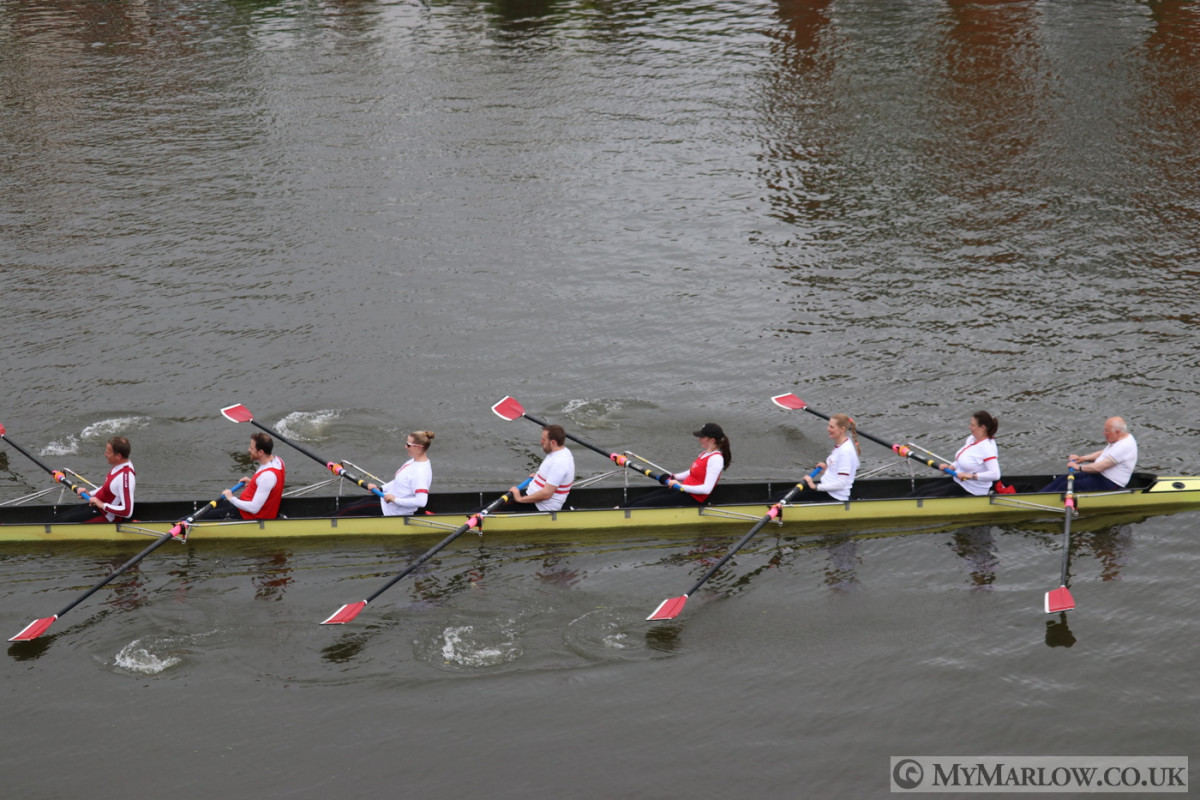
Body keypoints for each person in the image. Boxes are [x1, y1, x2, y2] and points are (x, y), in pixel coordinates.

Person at [625, 422, 731, 508]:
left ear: (712, 440)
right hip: (683, 492)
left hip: (693, 499)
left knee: (641, 505)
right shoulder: (705, 453)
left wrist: (680, 486)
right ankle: (618, 508)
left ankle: (621, 513)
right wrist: (675, 477)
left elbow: (706, 489)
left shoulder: (716, 459)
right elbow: (693, 471)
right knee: (640, 499)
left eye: (702, 437)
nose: (699, 439)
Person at [338, 431, 434, 517]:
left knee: (346, 511)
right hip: (385, 500)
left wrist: (394, 500)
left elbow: (421, 502)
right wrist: (380, 489)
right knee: (347, 506)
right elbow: (398, 482)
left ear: (419, 448)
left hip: (392, 511)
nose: (405, 447)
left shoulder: (421, 472)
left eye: (408, 445)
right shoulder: (413, 461)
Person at [773, 414, 860, 503]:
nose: (828, 429)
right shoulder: (842, 445)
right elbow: (851, 466)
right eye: (828, 426)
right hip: (826, 488)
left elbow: (841, 483)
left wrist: (815, 487)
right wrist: (827, 470)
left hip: (834, 497)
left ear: (842, 429)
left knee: (778, 499)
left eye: (831, 427)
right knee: (779, 495)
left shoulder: (845, 451)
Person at [913, 411, 1000, 497]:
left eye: (973, 425)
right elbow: (963, 460)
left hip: (972, 489)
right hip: (958, 479)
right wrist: (951, 467)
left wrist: (970, 476)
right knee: (922, 490)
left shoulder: (987, 448)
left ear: (983, 428)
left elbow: (995, 474)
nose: (969, 427)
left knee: (926, 495)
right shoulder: (972, 438)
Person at [1040, 417, 1137, 493]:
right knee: (1062, 479)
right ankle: (1039, 495)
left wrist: (1078, 467)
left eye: (1107, 431)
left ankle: (1040, 502)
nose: (1104, 433)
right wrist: (1082, 458)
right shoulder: (1121, 438)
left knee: (1065, 486)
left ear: (1117, 432)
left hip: (1109, 483)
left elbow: (1099, 467)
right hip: (1099, 476)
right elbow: (1103, 453)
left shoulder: (1124, 446)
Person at [492, 424, 575, 512]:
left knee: (486, 513)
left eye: (544, 439)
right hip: (533, 497)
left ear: (553, 443)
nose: (541, 442)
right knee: (490, 506)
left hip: (541, 507)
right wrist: (539, 477)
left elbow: (546, 494)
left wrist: (520, 499)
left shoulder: (560, 462)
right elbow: (555, 476)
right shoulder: (561, 451)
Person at [54, 436, 136, 523]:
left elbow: (127, 511)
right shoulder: (118, 465)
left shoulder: (126, 477)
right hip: (96, 508)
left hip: (106, 517)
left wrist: (102, 504)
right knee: (59, 518)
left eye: (108, 452)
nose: (105, 455)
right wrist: (90, 493)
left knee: (60, 522)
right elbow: (108, 488)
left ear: (118, 456)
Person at [209, 433, 287, 520]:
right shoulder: (278, 461)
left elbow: (254, 508)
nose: (248, 450)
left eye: (252, 448)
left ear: (260, 452)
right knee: (210, 509)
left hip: (252, 516)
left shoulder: (267, 476)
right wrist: (253, 483)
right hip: (245, 507)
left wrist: (231, 498)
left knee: (204, 517)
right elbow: (270, 486)